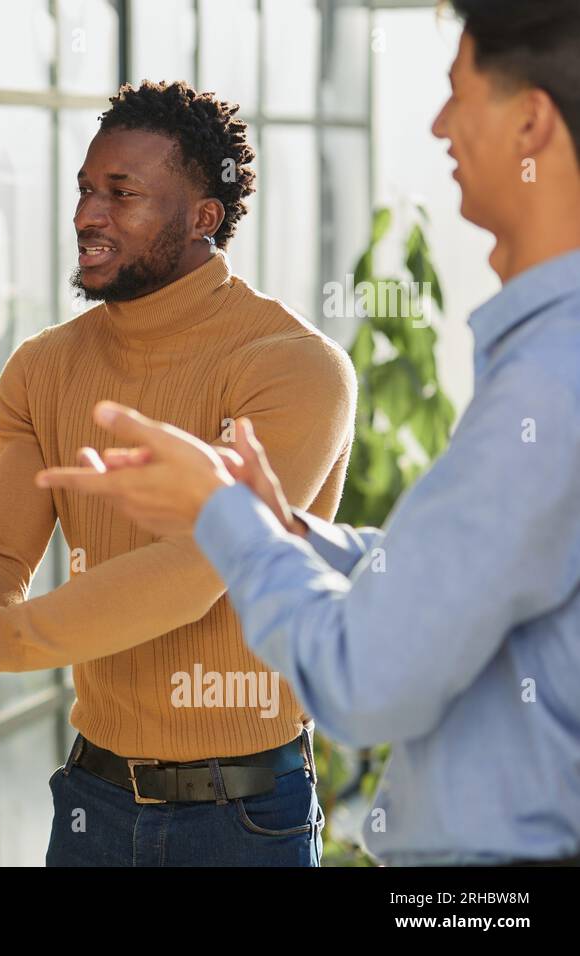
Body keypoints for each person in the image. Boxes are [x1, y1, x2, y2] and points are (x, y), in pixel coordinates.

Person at [37, 0, 580, 866]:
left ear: (530, 123)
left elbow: (365, 680)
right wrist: (288, 530)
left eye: (457, 95)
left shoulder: (552, 383)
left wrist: (223, 514)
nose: (437, 125)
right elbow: (460, 585)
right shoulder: (548, 367)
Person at [0, 80, 357, 866]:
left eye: (122, 194)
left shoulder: (293, 368)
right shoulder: (45, 366)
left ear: (203, 218)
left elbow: (193, 570)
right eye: (84, 190)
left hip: (244, 816)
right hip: (94, 802)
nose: (87, 215)